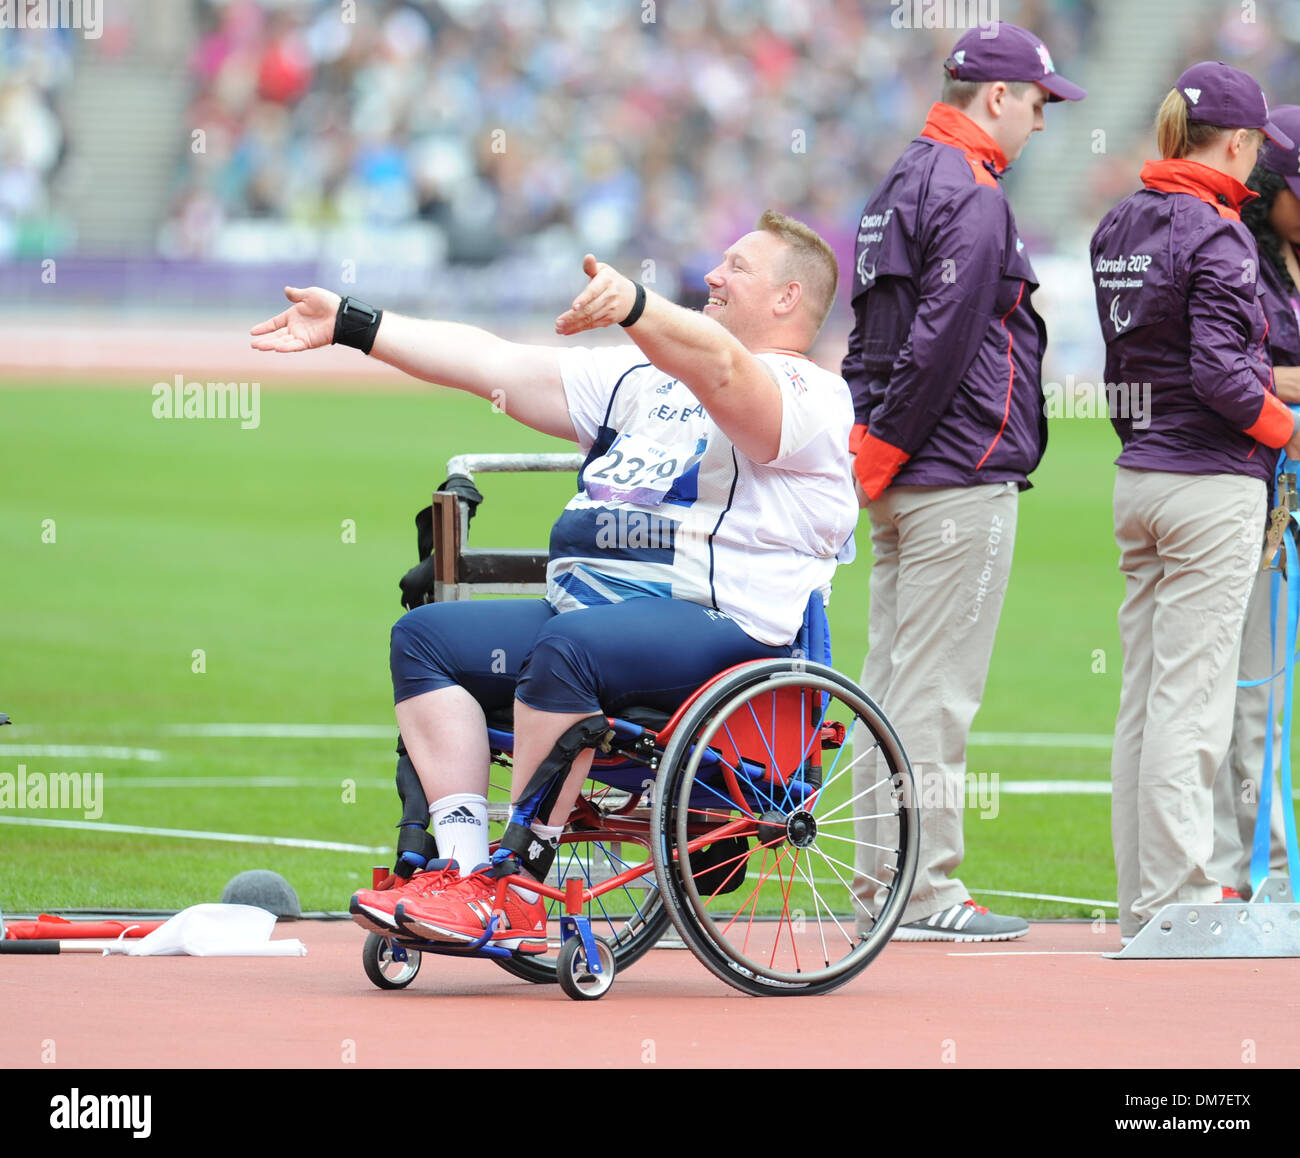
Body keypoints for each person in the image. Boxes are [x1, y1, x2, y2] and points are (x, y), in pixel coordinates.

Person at [250, 210, 857, 950]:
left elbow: (729, 373)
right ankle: (468, 874)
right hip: (597, 620)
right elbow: (495, 363)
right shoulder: (644, 376)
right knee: (425, 638)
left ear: (787, 297)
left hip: (717, 625)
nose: (713, 275)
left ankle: (521, 880)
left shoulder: (813, 395)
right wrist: (354, 324)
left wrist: (637, 306)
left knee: (570, 649)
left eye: (736, 266)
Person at [844, 22, 1084, 942]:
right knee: (936, 692)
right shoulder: (973, 194)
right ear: (994, 97)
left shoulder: (897, 180)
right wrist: (890, 445)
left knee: (890, 684)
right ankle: (924, 889)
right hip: (956, 470)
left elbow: (877, 334)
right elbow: (941, 341)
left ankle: (879, 885)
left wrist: (871, 443)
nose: (1041, 123)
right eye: (1037, 103)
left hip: (907, 469)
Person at [1090, 63, 1300, 943]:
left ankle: (1146, 898)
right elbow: (1222, 373)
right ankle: (1180, 899)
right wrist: (1283, 430)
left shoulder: (1117, 222)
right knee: (1195, 704)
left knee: (1143, 700)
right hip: (1210, 482)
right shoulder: (1221, 236)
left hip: (1138, 474)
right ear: (1244, 144)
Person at [1212, 102, 1300, 900]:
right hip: (1258, 493)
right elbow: (1224, 364)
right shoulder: (1237, 252)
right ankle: (1260, 870)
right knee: (1253, 689)